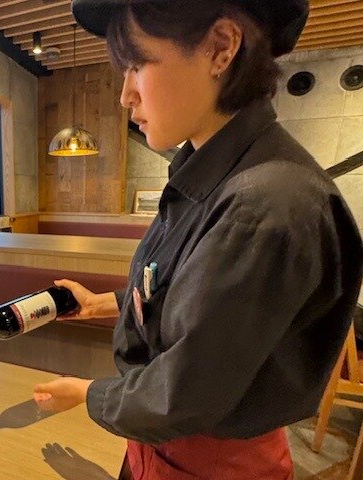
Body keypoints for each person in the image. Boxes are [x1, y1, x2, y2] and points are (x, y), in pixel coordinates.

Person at [32, 1, 363, 479]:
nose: (125, 96)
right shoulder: (216, 173)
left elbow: (187, 394)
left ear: (220, 48)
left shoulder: (267, 203)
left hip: (212, 461)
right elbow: (193, 297)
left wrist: (88, 394)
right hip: (166, 446)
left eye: (137, 65)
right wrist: (104, 303)